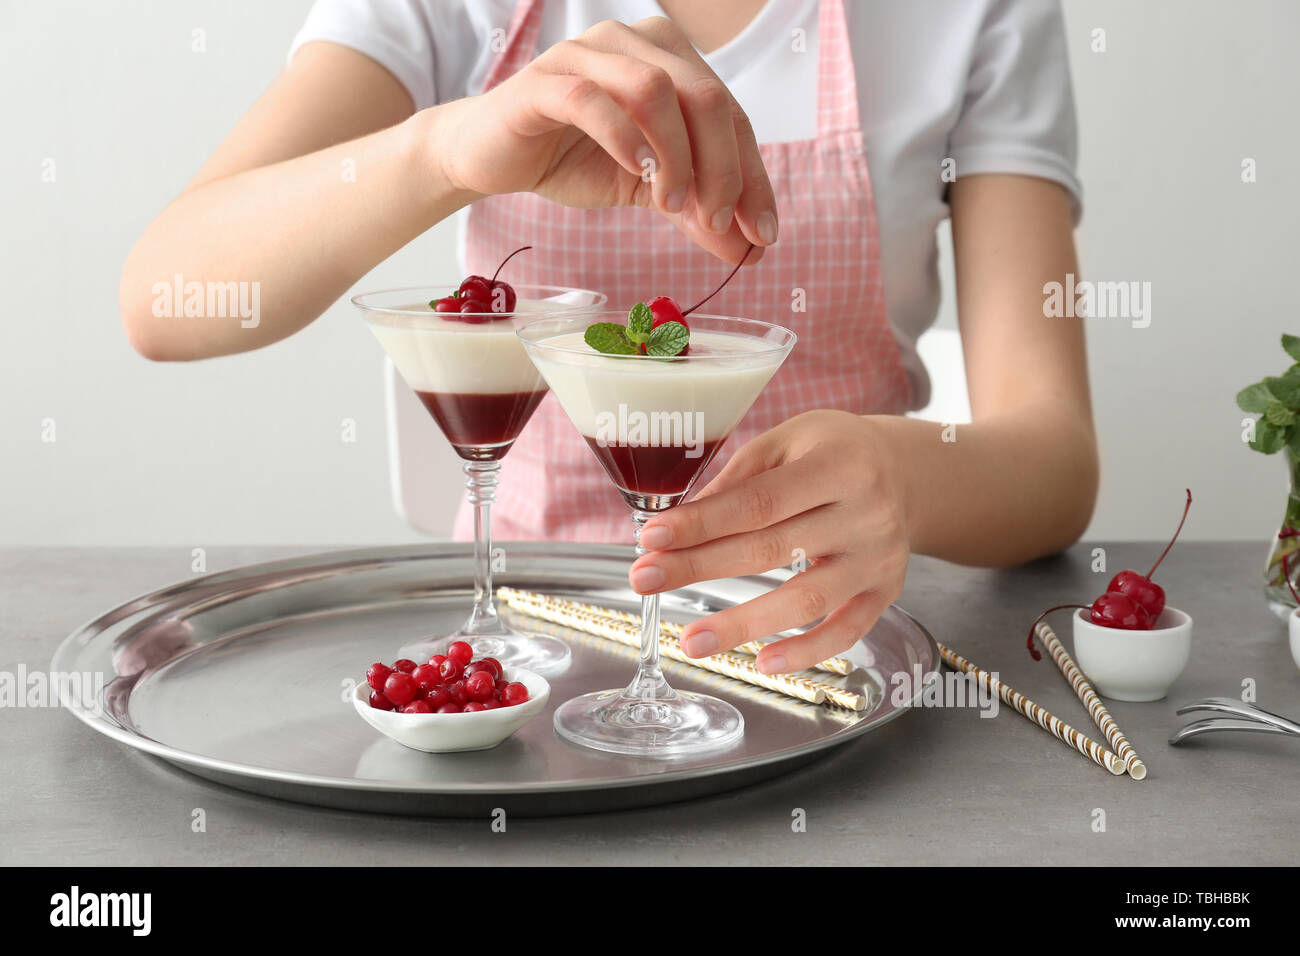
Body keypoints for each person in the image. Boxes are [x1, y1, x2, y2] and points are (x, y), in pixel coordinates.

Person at [119, 0, 1098, 674]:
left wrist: (907, 475)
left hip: (835, 659)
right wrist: (445, 147)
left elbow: (1052, 460)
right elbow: (166, 295)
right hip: (522, 668)